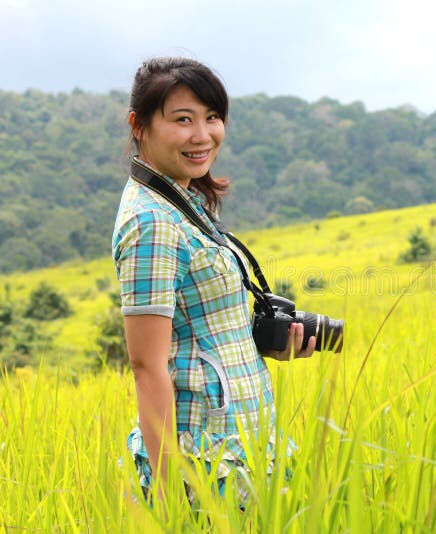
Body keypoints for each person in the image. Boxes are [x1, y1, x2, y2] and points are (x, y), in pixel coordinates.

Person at [112, 57, 315, 504]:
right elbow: (148, 366)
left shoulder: (181, 200)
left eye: (212, 117)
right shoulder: (153, 223)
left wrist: (261, 342)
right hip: (204, 458)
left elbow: (197, 328)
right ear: (139, 125)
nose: (202, 135)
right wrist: (168, 496)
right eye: (182, 120)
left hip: (238, 442)